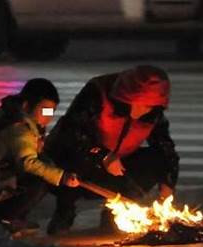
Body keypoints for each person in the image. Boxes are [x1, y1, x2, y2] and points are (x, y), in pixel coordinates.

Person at [44, 65, 179, 235]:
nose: (140, 110)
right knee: (74, 157)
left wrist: (168, 183)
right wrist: (104, 156)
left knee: (154, 161)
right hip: (74, 163)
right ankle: (64, 211)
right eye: (136, 102)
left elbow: (165, 150)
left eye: (147, 106)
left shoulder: (154, 115)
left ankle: (114, 214)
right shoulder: (97, 93)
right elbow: (72, 133)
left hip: (115, 168)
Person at [0, 78, 79, 236]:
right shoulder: (19, 130)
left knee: (46, 173)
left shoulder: (28, 128)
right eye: (44, 110)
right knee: (41, 180)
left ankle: (12, 216)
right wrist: (61, 176)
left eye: (51, 112)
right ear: (26, 106)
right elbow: (28, 163)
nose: (48, 117)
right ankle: (5, 218)